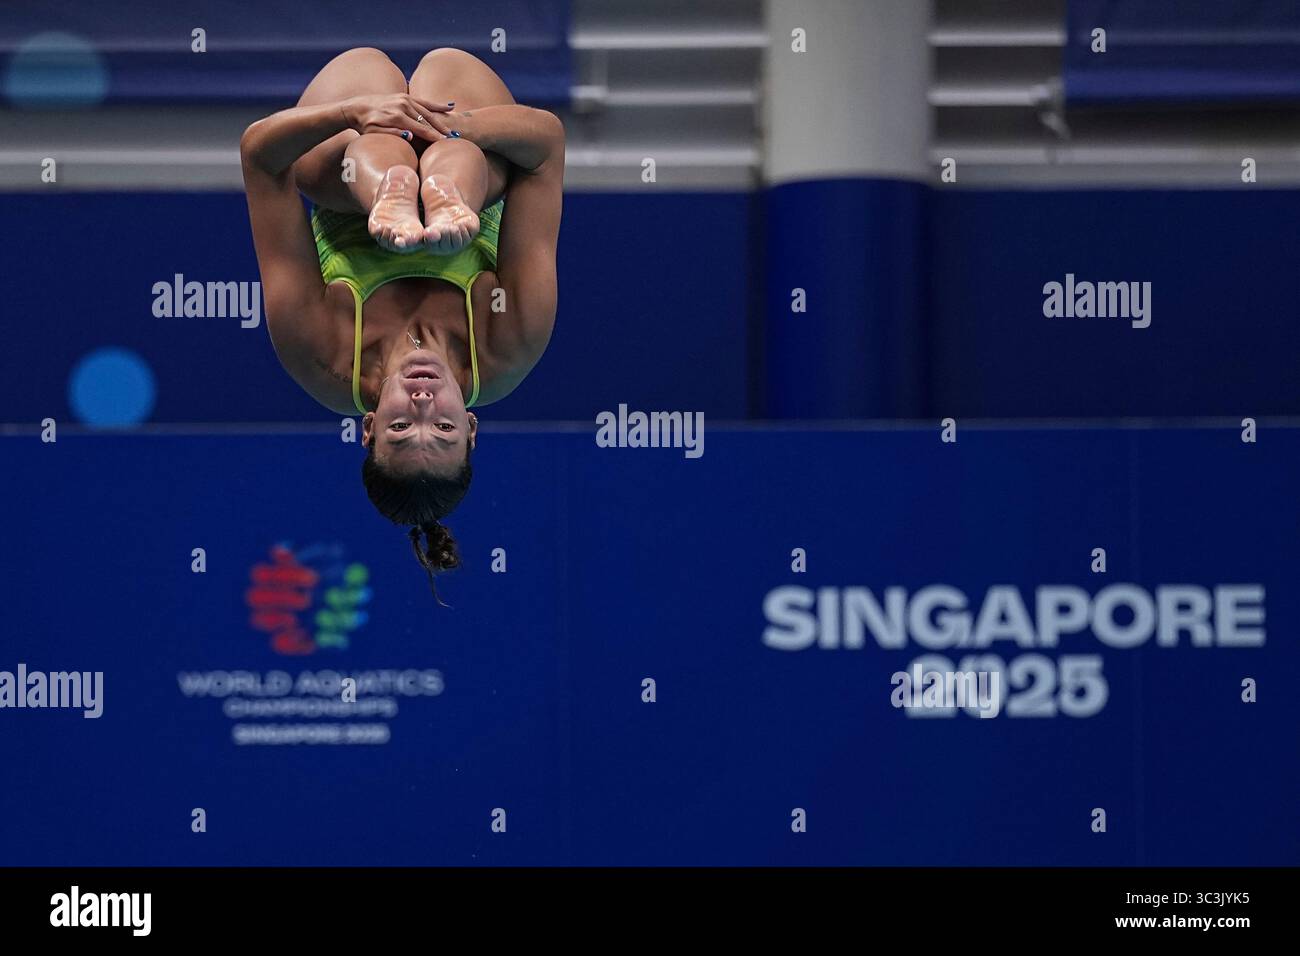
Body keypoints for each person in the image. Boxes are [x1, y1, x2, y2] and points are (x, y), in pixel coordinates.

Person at [240, 47, 563, 596]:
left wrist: (351, 113)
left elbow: (260, 158)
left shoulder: (322, 354)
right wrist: (453, 125)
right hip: (470, 165)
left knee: (374, 147)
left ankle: (390, 185)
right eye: (442, 428)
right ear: (471, 428)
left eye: (397, 427)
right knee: (456, 149)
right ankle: (442, 191)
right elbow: (547, 147)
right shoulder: (509, 344)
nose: (421, 403)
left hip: (345, 169)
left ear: (367, 429)